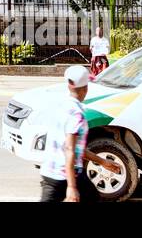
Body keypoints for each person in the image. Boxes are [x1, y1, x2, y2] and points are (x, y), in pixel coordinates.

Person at [41, 65, 123, 202]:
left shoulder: (60, 106)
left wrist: (102, 161)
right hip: (67, 175)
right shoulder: (76, 114)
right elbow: (70, 149)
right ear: (85, 89)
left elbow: (76, 149)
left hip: (50, 172)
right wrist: (71, 187)